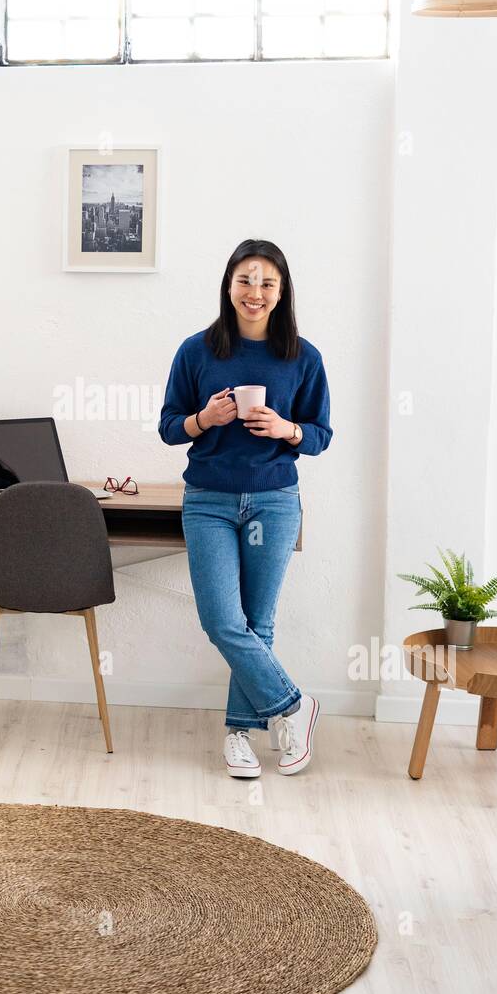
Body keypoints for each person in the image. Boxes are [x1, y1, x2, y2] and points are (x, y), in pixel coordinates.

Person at [158, 239, 333, 779]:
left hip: (275, 500)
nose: (254, 292)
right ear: (228, 285)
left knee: (258, 622)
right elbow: (169, 427)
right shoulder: (196, 351)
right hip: (208, 499)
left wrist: (286, 429)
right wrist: (203, 420)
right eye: (245, 280)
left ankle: (240, 734)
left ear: (281, 293)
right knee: (222, 620)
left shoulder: (303, 357)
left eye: (267, 283)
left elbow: (321, 435)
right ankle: (294, 706)